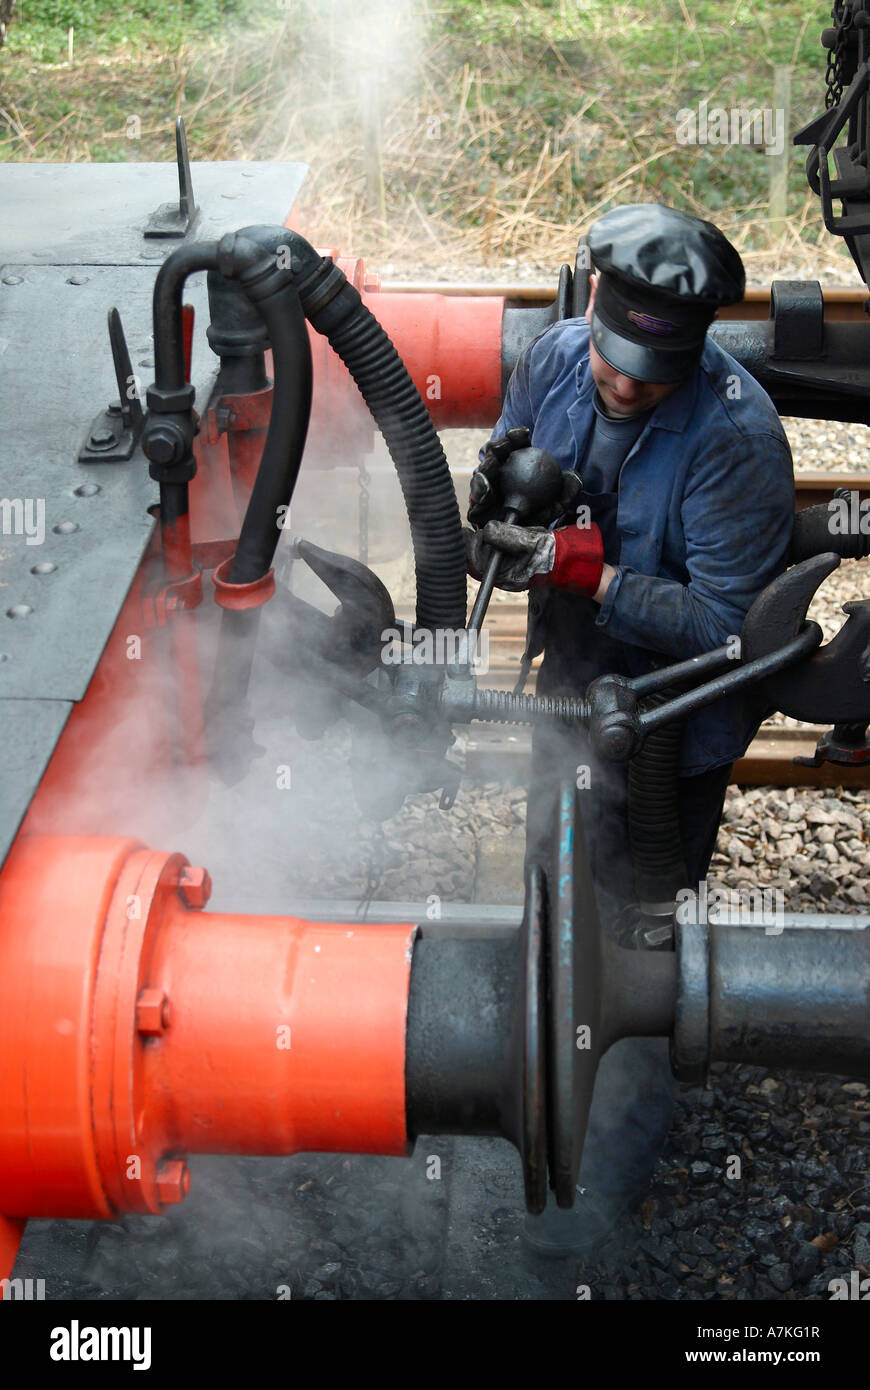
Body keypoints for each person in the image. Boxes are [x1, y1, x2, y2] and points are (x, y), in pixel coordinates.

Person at [466, 203, 795, 1254]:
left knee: (641, 937)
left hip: (671, 732)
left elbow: (725, 628)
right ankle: (532, 1085)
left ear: (695, 354)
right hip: (566, 694)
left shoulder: (736, 437)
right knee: (550, 889)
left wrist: (591, 574)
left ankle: (609, 1166)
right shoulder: (560, 357)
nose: (618, 385)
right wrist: (493, 505)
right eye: (612, 359)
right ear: (594, 308)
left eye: (647, 378)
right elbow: (506, 465)